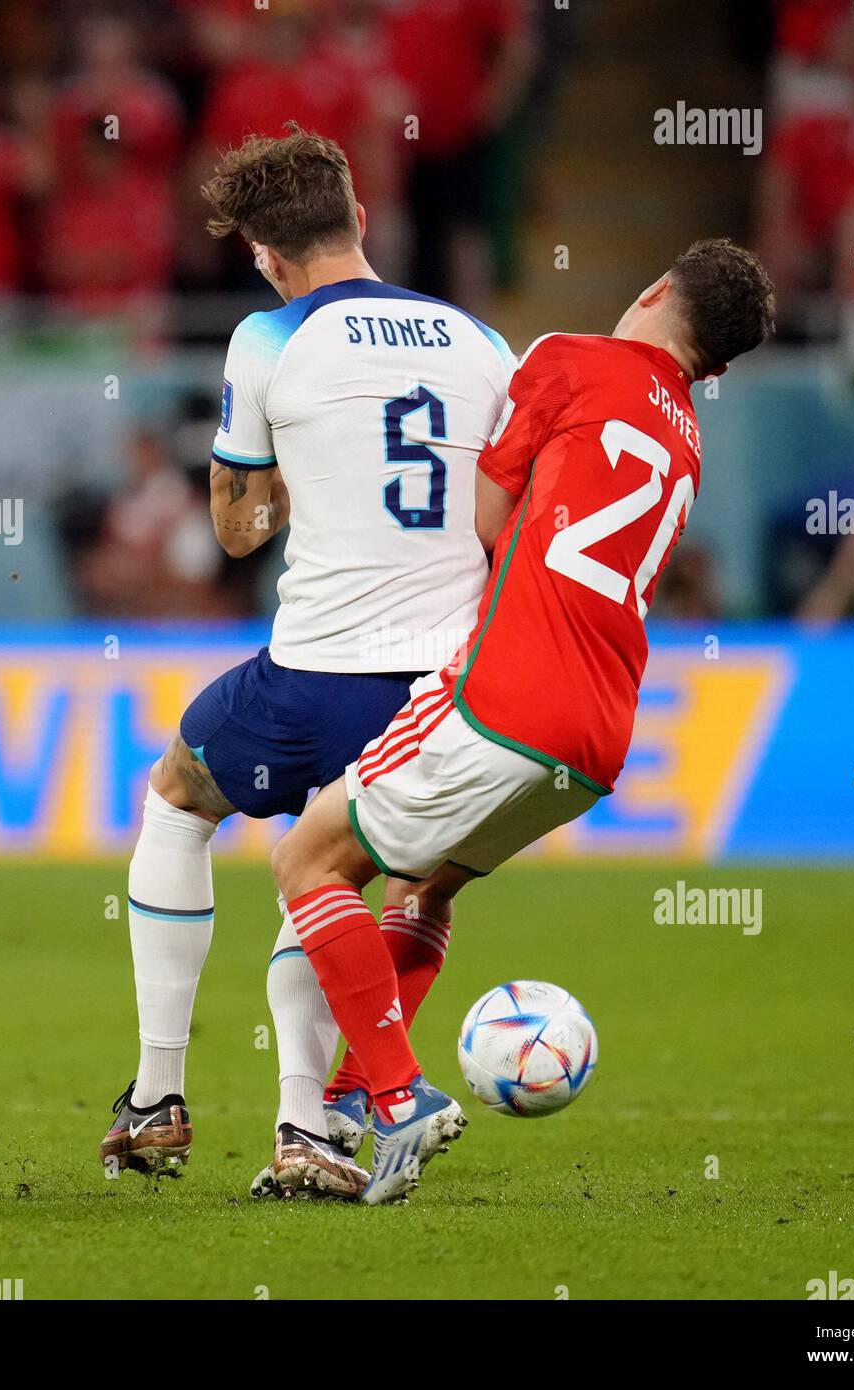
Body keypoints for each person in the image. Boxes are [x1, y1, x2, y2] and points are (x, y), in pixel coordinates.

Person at [270, 239, 777, 1204]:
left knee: (307, 861)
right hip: (598, 736)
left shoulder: (565, 359)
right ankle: (343, 1105)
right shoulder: (687, 441)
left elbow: (490, 519)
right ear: (710, 367)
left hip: (506, 696)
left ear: (653, 287)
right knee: (421, 889)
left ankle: (397, 1094)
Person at [97, 125, 515, 1199]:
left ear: (264, 256)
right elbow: (502, 515)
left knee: (180, 796)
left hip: (319, 668)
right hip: (449, 690)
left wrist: (288, 477)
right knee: (340, 871)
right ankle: (302, 1122)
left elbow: (235, 531)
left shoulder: (265, 338)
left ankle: (156, 1094)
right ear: (361, 219)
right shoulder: (480, 344)